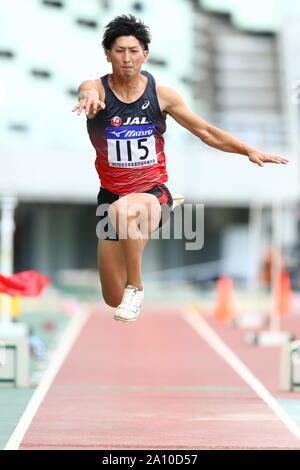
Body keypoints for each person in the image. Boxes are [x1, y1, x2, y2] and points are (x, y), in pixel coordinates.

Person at [72, 14, 289, 323]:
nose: (127, 58)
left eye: (134, 50)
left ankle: (137, 285)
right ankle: (131, 274)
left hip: (149, 191)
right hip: (110, 195)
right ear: (107, 54)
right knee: (111, 297)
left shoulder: (162, 97)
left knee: (121, 214)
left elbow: (206, 132)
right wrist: (90, 99)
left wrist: (247, 150)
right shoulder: (96, 90)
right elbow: (87, 92)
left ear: (145, 54)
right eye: (119, 50)